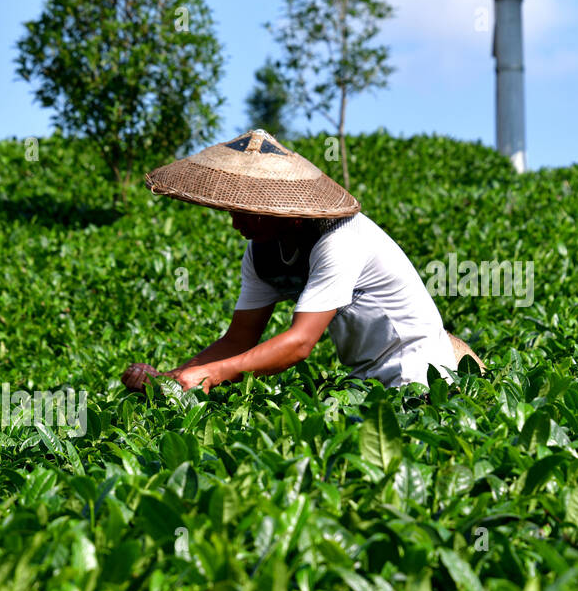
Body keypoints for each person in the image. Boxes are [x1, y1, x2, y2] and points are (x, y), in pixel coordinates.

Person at [123, 129, 484, 394]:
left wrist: (212, 375)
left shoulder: (340, 240)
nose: (237, 221)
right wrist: (171, 380)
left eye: (250, 212)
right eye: (235, 209)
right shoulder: (262, 251)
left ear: (289, 214)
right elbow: (239, 339)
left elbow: (299, 343)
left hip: (418, 376)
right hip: (365, 382)